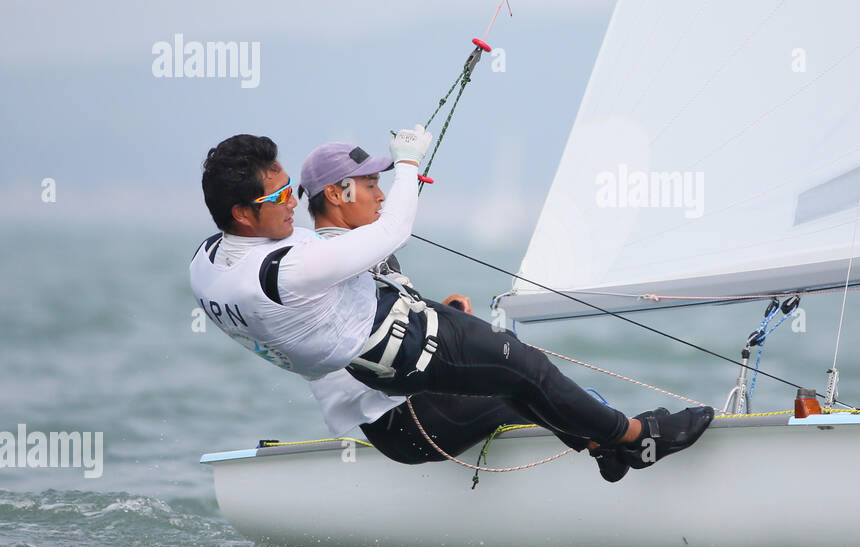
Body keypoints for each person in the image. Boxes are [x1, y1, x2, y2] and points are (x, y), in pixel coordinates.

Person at [189, 129, 712, 483]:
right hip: (404, 417)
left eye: (288, 193)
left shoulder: (210, 263)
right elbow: (391, 229)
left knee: (522, 383)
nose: (289, 205)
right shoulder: (303, 264)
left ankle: (606, 448)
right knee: (523, 371)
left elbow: (343, 302)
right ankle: (638, 440)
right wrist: (411, 161)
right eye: (275, 199)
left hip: (394, 396)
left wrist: (434, 309)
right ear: (239, 213)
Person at [298, 140, 531, 464]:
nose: (381, 197)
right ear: (336, 195)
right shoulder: (324, 262)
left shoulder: (362, 255)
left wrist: (443, 315)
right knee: (530, 388)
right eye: (370, 186)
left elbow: (385, 328)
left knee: (515, 363)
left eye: (380, 186)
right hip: (410, 422)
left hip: (407, 419)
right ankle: (609, 441)